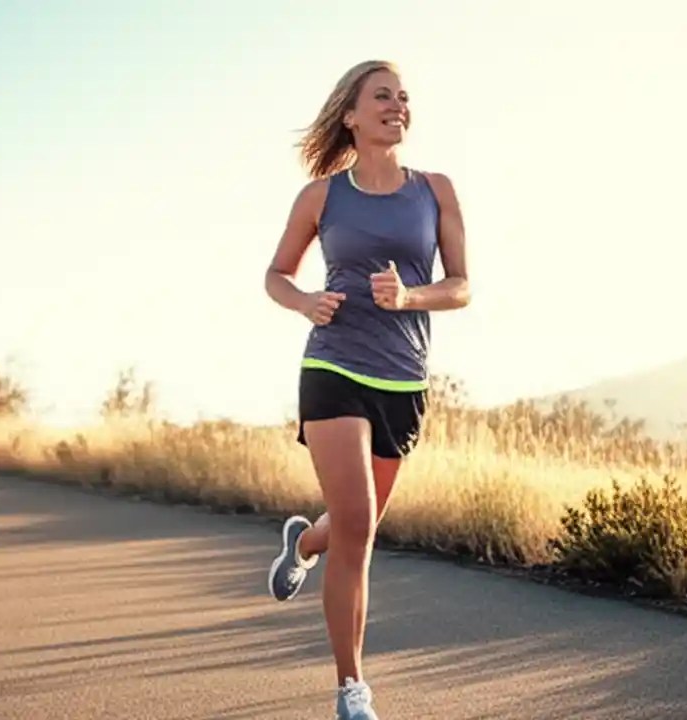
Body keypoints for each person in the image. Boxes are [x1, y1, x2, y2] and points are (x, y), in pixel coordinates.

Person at [262, 59, 470, 720]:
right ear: (351, 115)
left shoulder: (436, 191)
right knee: (358, 528)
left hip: (402, 378)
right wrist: (304, 303)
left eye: (403, 97)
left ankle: (303, 543)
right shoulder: (322, 197)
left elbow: (461, 285)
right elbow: (275, 274)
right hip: (333, 366)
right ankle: (352, 691)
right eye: (382, 95)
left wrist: (411, 295)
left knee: (357, 526)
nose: (397, 105)